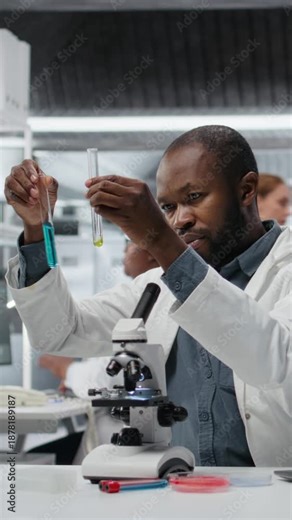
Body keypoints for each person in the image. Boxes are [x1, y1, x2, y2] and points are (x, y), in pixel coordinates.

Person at [4, 125, 291, 467]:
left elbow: (274, 362)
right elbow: (59, 332)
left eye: (195, 197)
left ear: (246, 190)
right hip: (178, 493)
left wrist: (159, 241)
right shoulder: (158, 285)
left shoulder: (284, 270)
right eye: (167, 207)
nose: (180, 219)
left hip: (271, 501)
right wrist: (38, 230)